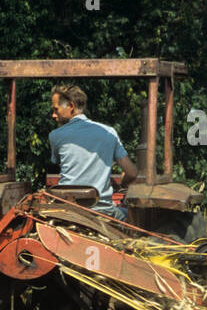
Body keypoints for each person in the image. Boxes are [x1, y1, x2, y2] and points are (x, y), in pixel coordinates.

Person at [48, 84, 142, 220]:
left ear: (71, 106)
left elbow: (59, 163)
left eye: (56, 110)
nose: (53, 115)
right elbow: (132, 172)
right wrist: (122, 183)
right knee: (131, 217)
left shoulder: (55, 136)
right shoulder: (109, 133)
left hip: (69, 211)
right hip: (103, 213)